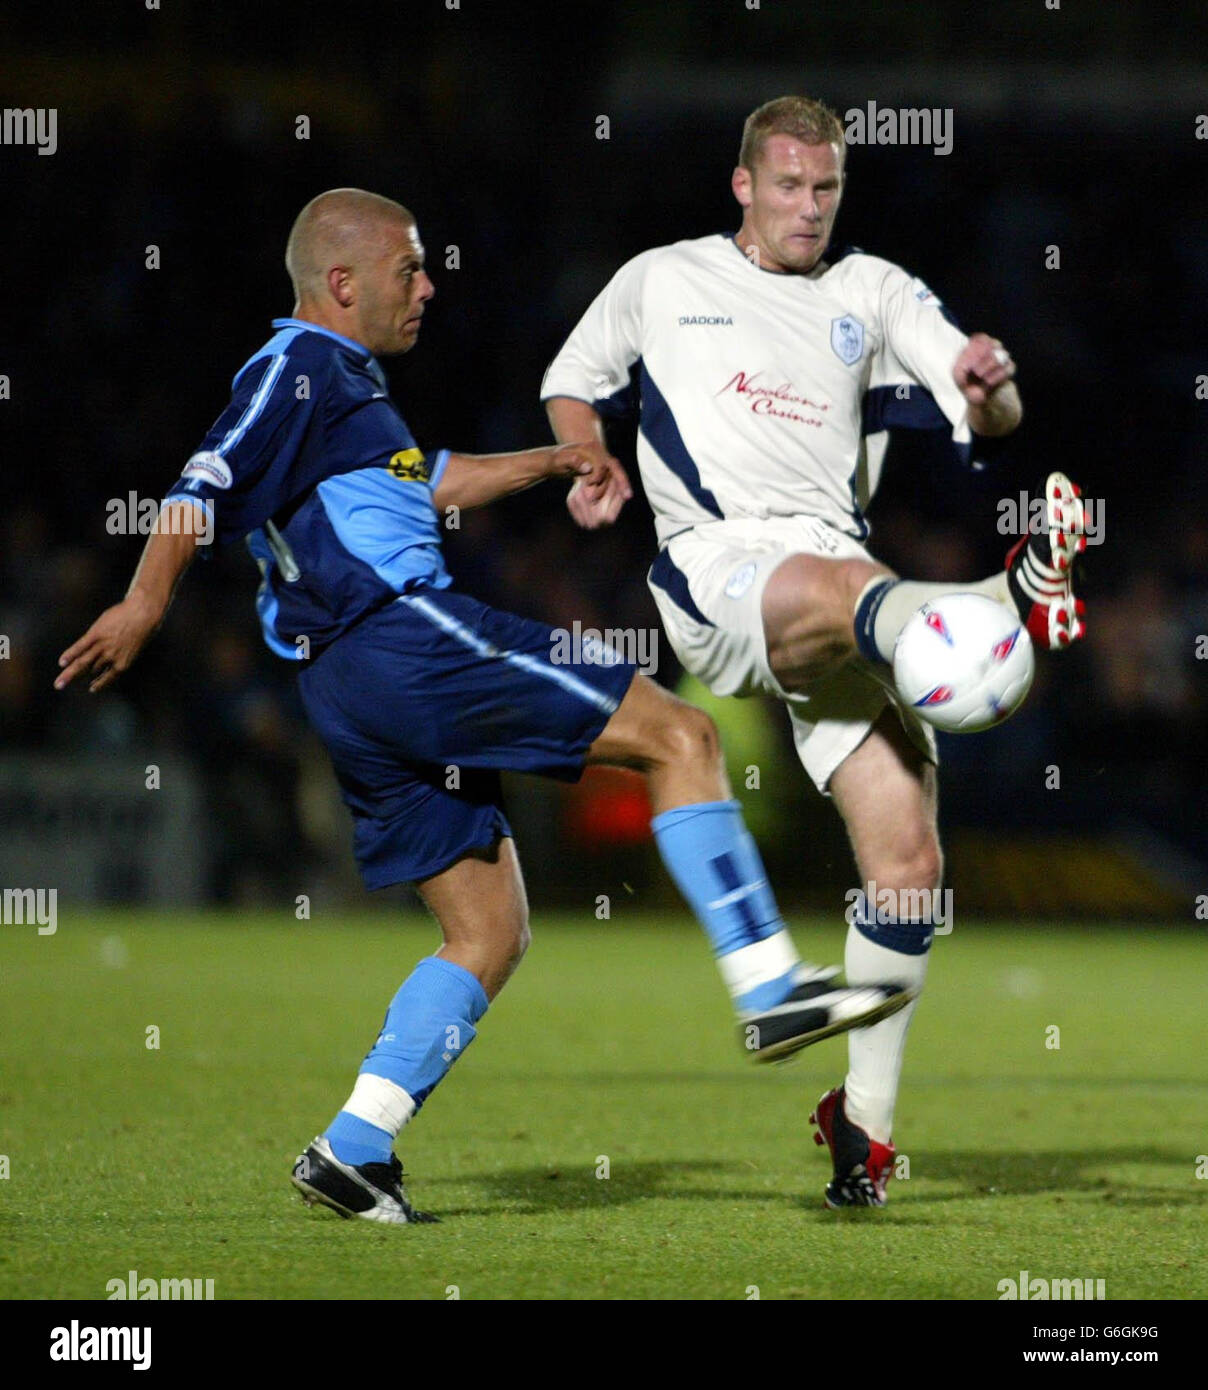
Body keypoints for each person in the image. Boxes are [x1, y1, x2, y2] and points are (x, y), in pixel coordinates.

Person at [55, 187, 911, 1225]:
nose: (427, 285)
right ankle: (767, 982)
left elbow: (425, 486)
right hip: (405, 642)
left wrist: (553, 459)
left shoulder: (348, 388)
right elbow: (200, 483)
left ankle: (353, 1147)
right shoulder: (298, 363)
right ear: (341, 282)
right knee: (677, 733)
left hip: (346, 682)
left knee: (487, 931)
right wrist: (144, 605)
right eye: (409, 269)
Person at [542, 97, 1088, 1208]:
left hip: (840, 596)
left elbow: (991, 409)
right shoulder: (663, 278)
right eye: (786, 187)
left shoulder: (869, 291)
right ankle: (988, 601)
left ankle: (863, 1133)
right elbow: (570, 378)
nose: (806, 207)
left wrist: (990, 383)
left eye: (824, 189)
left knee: (907, 868)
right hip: (717, 572)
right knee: (859, 593)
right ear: (742, 185)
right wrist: (584, 456)